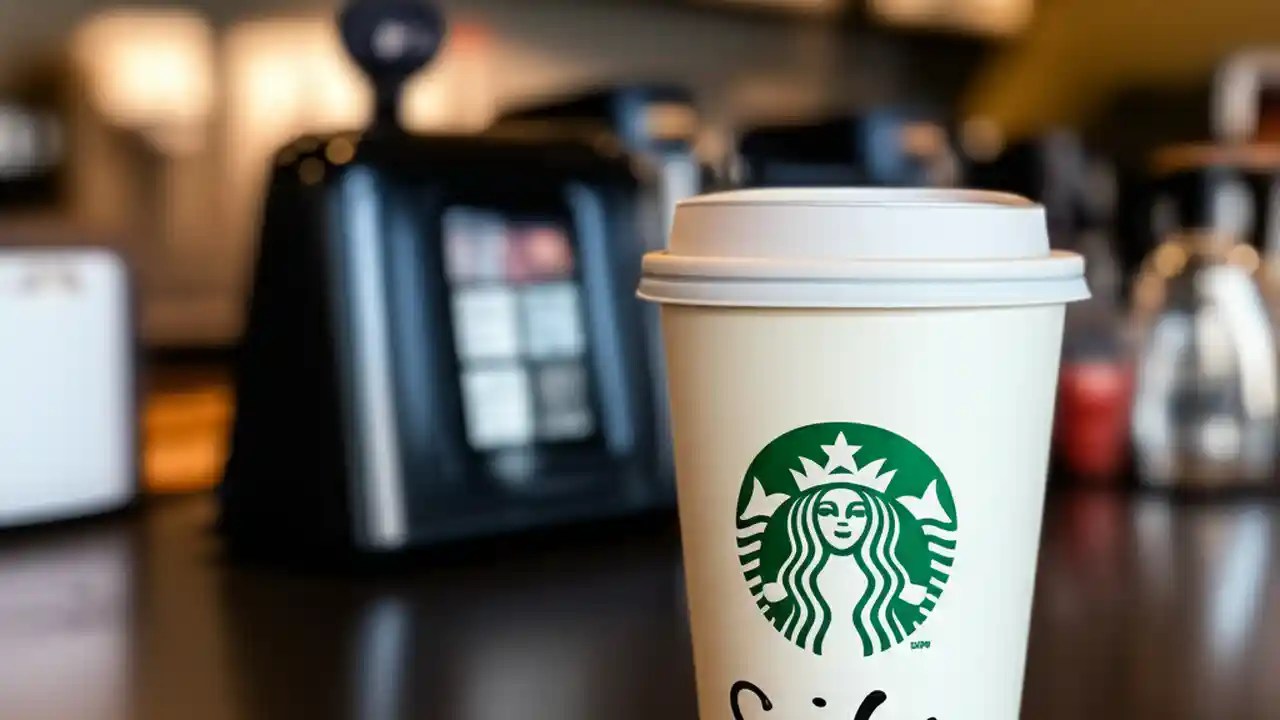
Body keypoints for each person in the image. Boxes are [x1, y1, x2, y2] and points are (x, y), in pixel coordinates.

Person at [760, 483, 928, 657]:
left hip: (878, 656)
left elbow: (916, 596)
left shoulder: (887, 572)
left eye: (856, 512)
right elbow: (771, 593)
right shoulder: (796, 571)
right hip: (803, 657)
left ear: (873, 519)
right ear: (810, 520)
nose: (842, 520)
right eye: (827, 512)